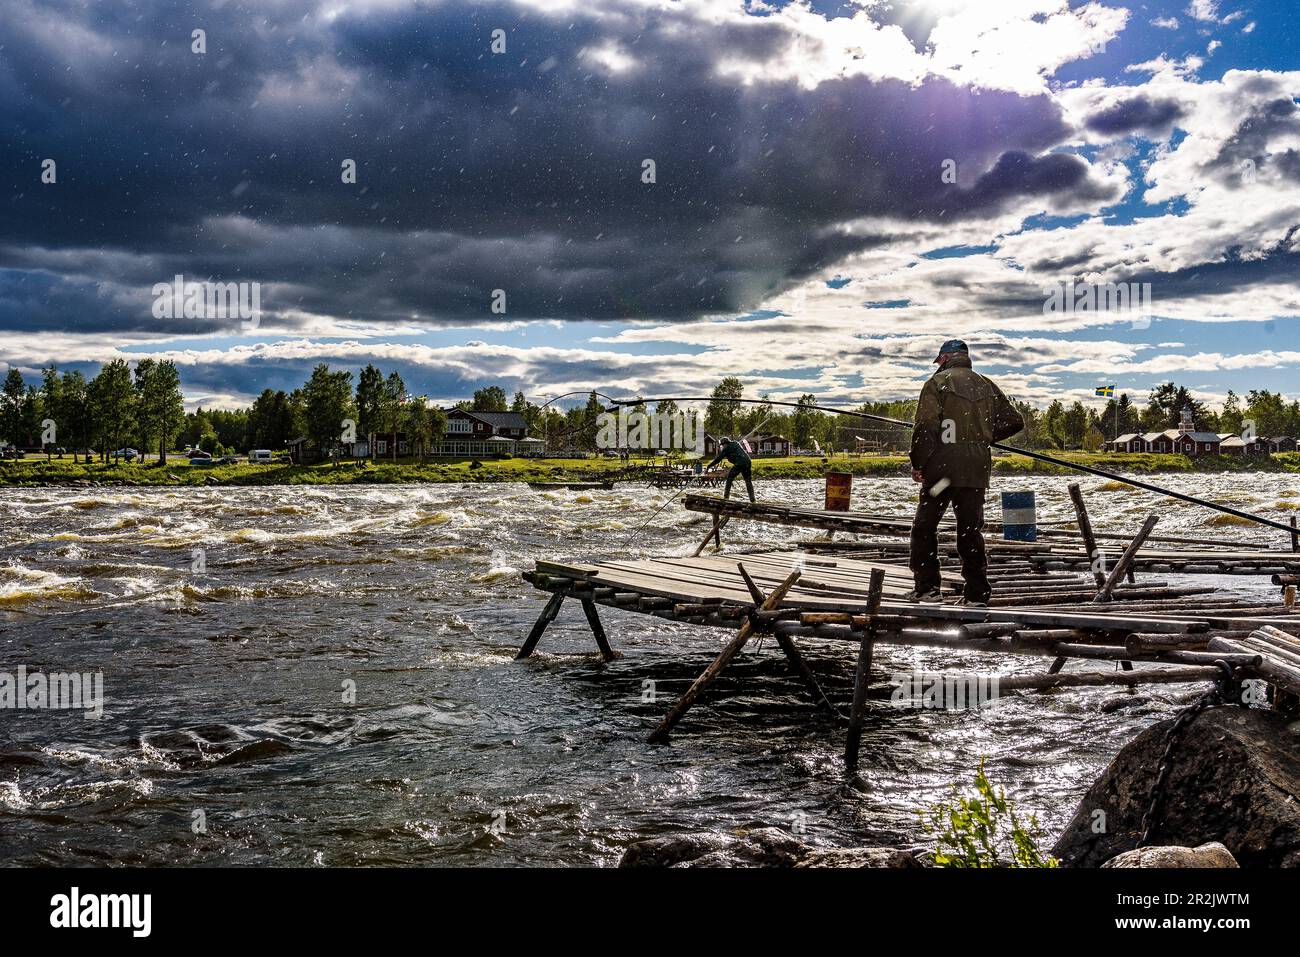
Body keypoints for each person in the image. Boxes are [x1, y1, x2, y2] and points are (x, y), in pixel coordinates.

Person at [907, 339, 1023, 606]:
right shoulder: (986, 383)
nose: (938, 366)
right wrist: (985, 437)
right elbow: (1015, 421)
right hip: (976, 470)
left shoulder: (936, 384)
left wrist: (918, 464)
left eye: (938, 361)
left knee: (924, 527)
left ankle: (927, 589)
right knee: (970, 531)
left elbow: (925, 426)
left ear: (945, 358)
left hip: (942, 473)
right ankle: (976, 594)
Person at [706, 435, 755, 503]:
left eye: (722, 445)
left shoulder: (726, 449)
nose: (722, 447)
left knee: (729, 478)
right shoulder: (736, 443)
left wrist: (709, 466)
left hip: (740, 463)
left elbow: (718, 459)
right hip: (747, 462)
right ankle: (752, 500)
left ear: (725, 444)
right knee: (748, 481)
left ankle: (726, 498)